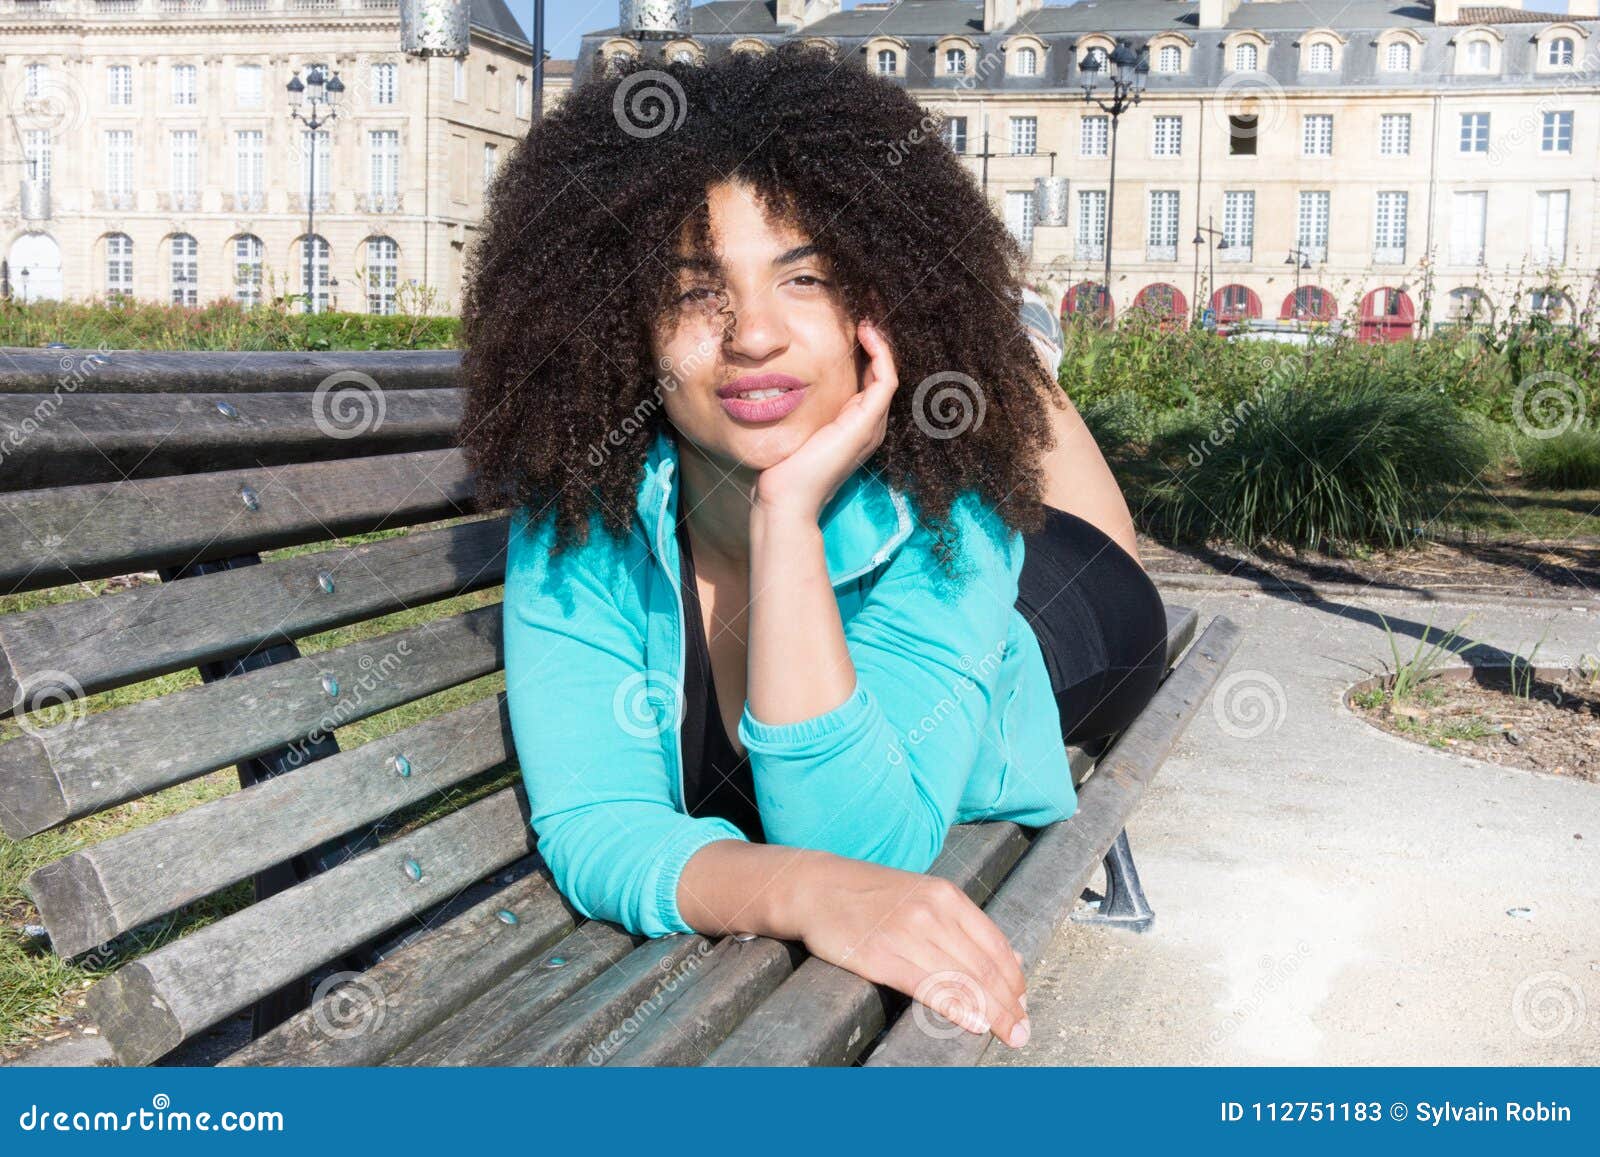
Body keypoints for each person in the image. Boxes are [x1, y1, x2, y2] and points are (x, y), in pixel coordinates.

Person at [458, 43, 1167, 1053]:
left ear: (878, 307)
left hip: (1064, 625)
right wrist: (795, 891)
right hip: (934, 557)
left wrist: (783, 514)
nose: (752, 335)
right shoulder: (583, 516)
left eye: (807, 279)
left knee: (1099, 559)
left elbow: (870, 848)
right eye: (699, 289)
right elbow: (598, 821)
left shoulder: (950, 514)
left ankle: (1004, 353)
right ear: (627, 320)